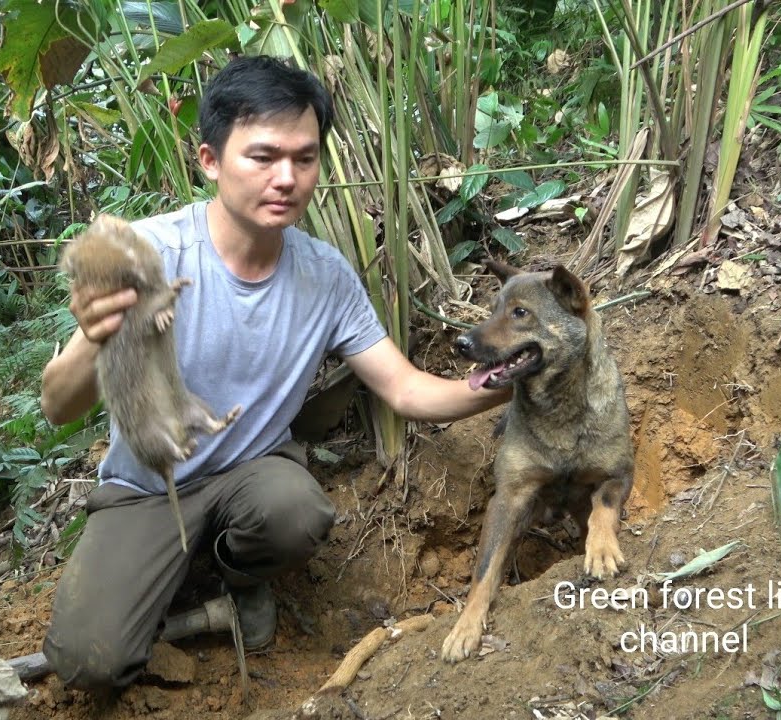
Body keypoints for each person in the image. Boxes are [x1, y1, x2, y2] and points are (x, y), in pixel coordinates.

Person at [39, 55, 509, 693]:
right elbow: (57, 407)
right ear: (209, 161)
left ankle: (240, 577)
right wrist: (95, 340)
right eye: (262, 157)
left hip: (252, 476)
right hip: (151, 487)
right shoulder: (147, 255)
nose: (286, 178)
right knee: (88, 663)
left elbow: (403, 388)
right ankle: (167, 570)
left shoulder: (325, 276)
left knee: (295, 511)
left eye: (305, 158)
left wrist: (504, 382)